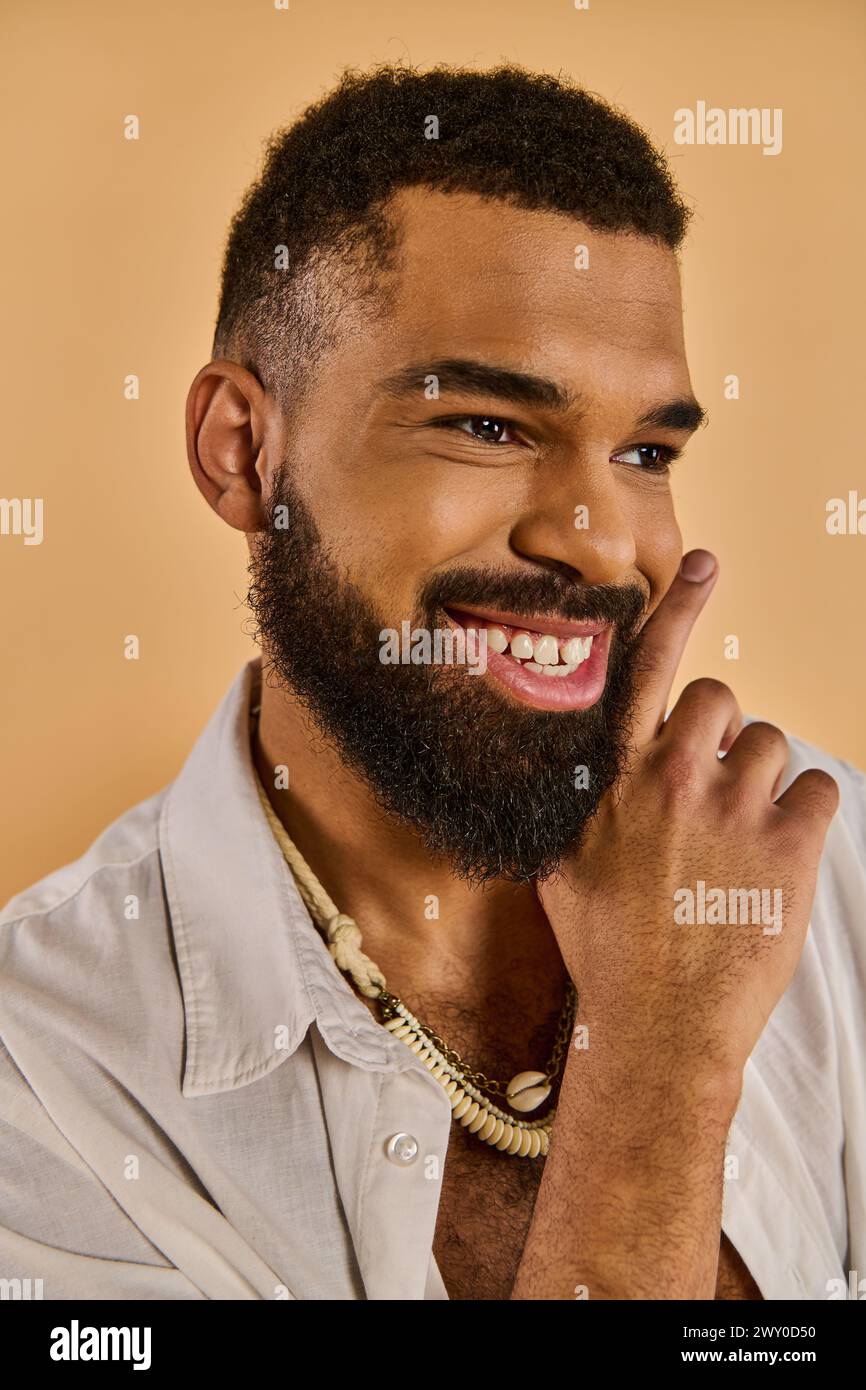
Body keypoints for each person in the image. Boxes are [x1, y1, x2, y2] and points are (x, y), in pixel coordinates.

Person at [1, 63, 863, 1302]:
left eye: (643, 452)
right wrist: (661, 1067)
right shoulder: (41, 1079)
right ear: (241, 451)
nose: (597, 538)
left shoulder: (831, 880)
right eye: (488, 426)